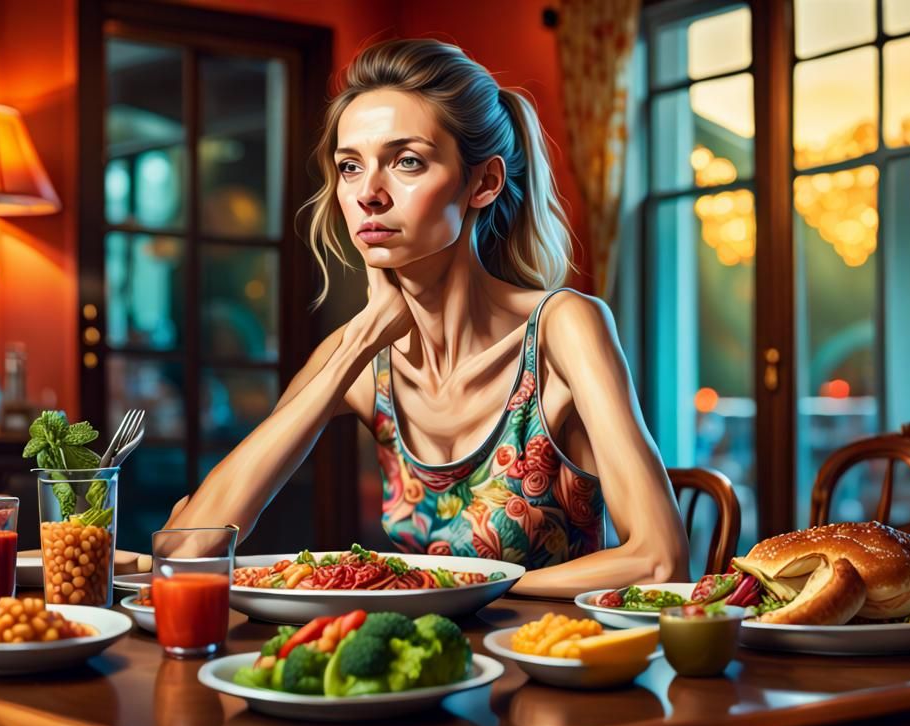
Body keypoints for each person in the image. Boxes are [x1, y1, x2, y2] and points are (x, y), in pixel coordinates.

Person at [167, 38, 689, 597]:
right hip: (421, 671)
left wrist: (461, 587)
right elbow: (187, 549)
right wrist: (365, 334)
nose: (368, 193)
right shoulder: (361, 356)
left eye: (407, 161)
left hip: (554, 668)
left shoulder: (565, 326)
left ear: (482, 183)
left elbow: (660, 562)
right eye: (349, 166)